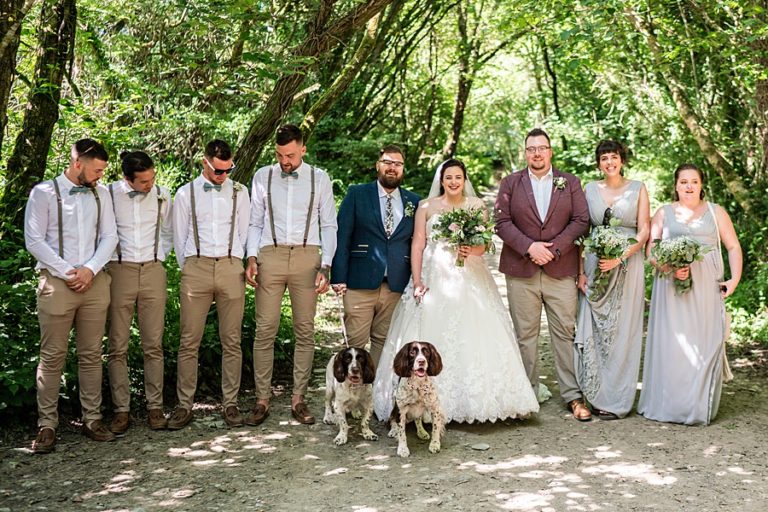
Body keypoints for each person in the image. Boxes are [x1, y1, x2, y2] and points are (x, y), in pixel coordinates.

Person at [373, 159, 539, 423]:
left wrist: (471, 250)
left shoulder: (476, 206)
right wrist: (417, 281)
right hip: (433, 277)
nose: (453, 182)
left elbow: (484, 245)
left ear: (464, 179)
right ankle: (418, 403)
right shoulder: (426, 207)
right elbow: (417, 244)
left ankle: (482, 402)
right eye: (448, 177)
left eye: (458, 177)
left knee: (476, 334)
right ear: (442, 180)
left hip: (469, 277)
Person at [24, 138, 119, 453]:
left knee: (92, 355)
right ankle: (47, 425)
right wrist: (70, 272)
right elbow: (34, 240)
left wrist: (90, 269)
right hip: (57, 284)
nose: (101, 176)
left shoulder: (102, 194)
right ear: (78, 163)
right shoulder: (44, 193)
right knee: (52, 357)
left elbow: (110, 236)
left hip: (94, 284)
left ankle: (92, 418)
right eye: (97, 170)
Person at [494, 128, 591, 421]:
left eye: (542, 148)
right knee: (526, 335)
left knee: (565, 332)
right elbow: (501, 221)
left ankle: (573, 396)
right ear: (525, 153)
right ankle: (526, 396)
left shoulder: (570, 182)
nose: (537, 153)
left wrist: (554, 249)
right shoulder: (510, 183)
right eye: (531, 148)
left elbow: (581, 220)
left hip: (560, 269)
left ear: (550, 151)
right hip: (521, 270)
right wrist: (529, 247)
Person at [245, 124, 337, 426]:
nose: (286, 161)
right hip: (269, 254)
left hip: (307, 256)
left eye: (291, 155)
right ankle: (262, 399)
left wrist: (326, 264)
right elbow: (254, 222)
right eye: (281, 155)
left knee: (305, 330)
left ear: (303, 150)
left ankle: (299, 398)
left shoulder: (319, 179)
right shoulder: (262, 176)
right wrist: (252, 256)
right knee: (265, 329)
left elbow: (329, 225)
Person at [638, 163, 742, 425]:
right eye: (683, 181)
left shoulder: (716, 212)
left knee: (705, 344)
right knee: (674, 346)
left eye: (694, 181)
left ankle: (698, 406)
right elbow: (651, 251)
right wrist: (670, 268)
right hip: (672, 289)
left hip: (707, 287)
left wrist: (734, 280)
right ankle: (672, 405)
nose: (688, 186)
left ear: (701, 184)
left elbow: (733, 247)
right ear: (676, 185)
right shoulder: (663, 213)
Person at [168, 140, 250, 430]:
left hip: (230, 266)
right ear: (205, 162)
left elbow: (244, 231)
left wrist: (236, 261)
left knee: (232, 340)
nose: (222, 176)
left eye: (228, 171)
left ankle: (230, 403)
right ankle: (183, 405)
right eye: (218, 170)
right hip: (197, 266)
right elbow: (178, 237)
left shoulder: (241, 192)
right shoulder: (185, 193)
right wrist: (191, 266)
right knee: (189, 340)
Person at [574, 140, 650, 420]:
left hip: (628, 264)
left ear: (622, 160)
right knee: (596, 329)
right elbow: (582, 233)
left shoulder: (639, 188)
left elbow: (644, 230)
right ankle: (594, 393)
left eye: (614, 157)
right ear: (598, 163)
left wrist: (621, 257)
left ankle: (618, 398)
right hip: (596, 263)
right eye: (604, 158)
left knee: (622, 329)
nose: (609, 162)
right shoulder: (589, 189)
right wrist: (581, 271)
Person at [331, 145, 420, 365]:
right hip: (359, 281)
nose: (392, 168)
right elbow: (342, 237)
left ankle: (377, 397)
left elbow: (419, 242)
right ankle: (353, 397)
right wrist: (338, 277)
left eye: (398, 164)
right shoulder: (357, 194)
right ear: (377, 165)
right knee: (355, 346)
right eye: (388, 162)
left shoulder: (414, 201)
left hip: (396, 284)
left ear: (403, 169)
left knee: (385, 343)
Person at [105, 151, 173, 434]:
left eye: (152, 178)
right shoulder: (107, 194)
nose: (150, 184)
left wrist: (161, 256)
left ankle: (155, 407)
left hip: (152, 270)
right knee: (117, 345)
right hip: (119, 270)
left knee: (153, 344)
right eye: (143, 181)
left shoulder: (162, 195)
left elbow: (169, 231)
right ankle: (122, 410)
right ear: (126, 179)